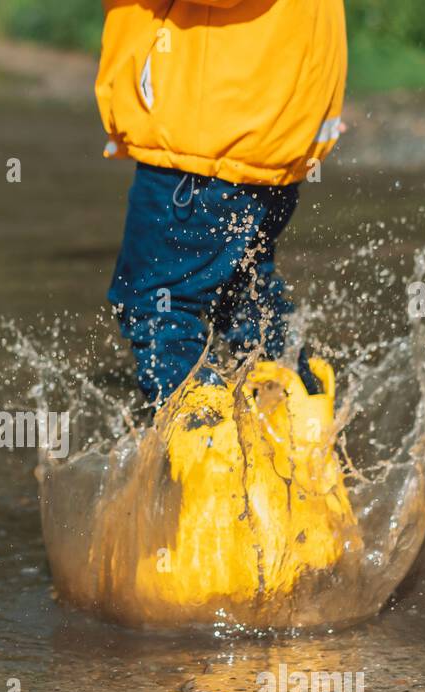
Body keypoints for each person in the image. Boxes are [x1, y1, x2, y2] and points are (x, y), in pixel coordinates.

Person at [95, 0, 347, 405]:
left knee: (158, 305)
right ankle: (295, 424)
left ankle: (208, 445)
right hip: (258, 132)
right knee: (243, 296)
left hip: (208, 140)